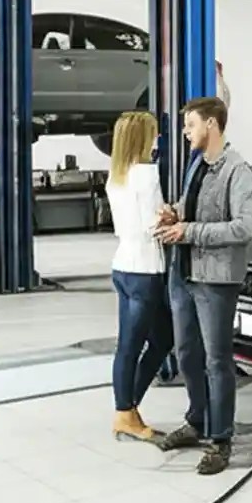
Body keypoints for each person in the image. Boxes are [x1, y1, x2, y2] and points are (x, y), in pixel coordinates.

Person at [153, 96, 252, 475]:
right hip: (183, 273)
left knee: (217, 360)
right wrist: (174, 212)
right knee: (186, 355)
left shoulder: (238, 170)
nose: (186, 132)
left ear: (211, 124)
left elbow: (244, 228)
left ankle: (220, 439)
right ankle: (197, 420)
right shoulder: (198, 164)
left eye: (190, 125)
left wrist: (188, 230)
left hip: (215, 279)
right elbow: (189, 205)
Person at [104, 111, 172, 441]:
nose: (158, 139)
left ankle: (128, 409)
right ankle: (124, 413)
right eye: (154, 134)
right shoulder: (146, 173)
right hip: (144, 271)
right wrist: (173, 215)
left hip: (123, 266)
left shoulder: (116, 174)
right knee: (136, 345)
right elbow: (153, 225)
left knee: (155, 341)